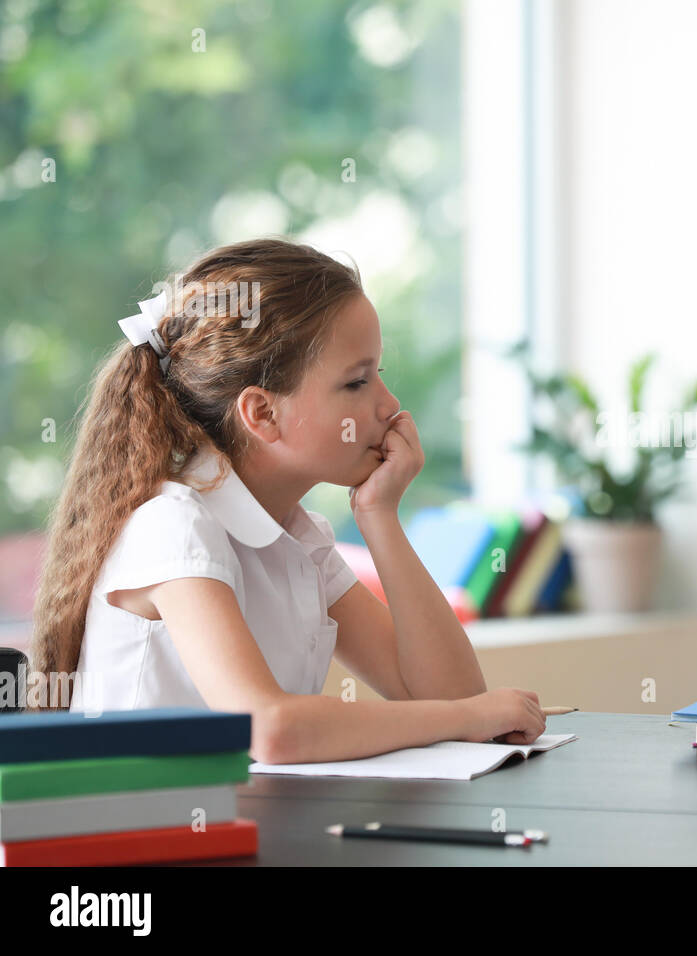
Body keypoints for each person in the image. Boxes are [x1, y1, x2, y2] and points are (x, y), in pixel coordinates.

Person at [29, 238, 546, 762]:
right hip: (143, 839)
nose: (389, 405)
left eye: (379, 377)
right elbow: (269, 730)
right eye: (356, 382)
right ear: (262, 414)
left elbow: (453, 696)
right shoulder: (174, 526)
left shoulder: (298, 536)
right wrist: (468, 717)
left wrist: (379, 516)